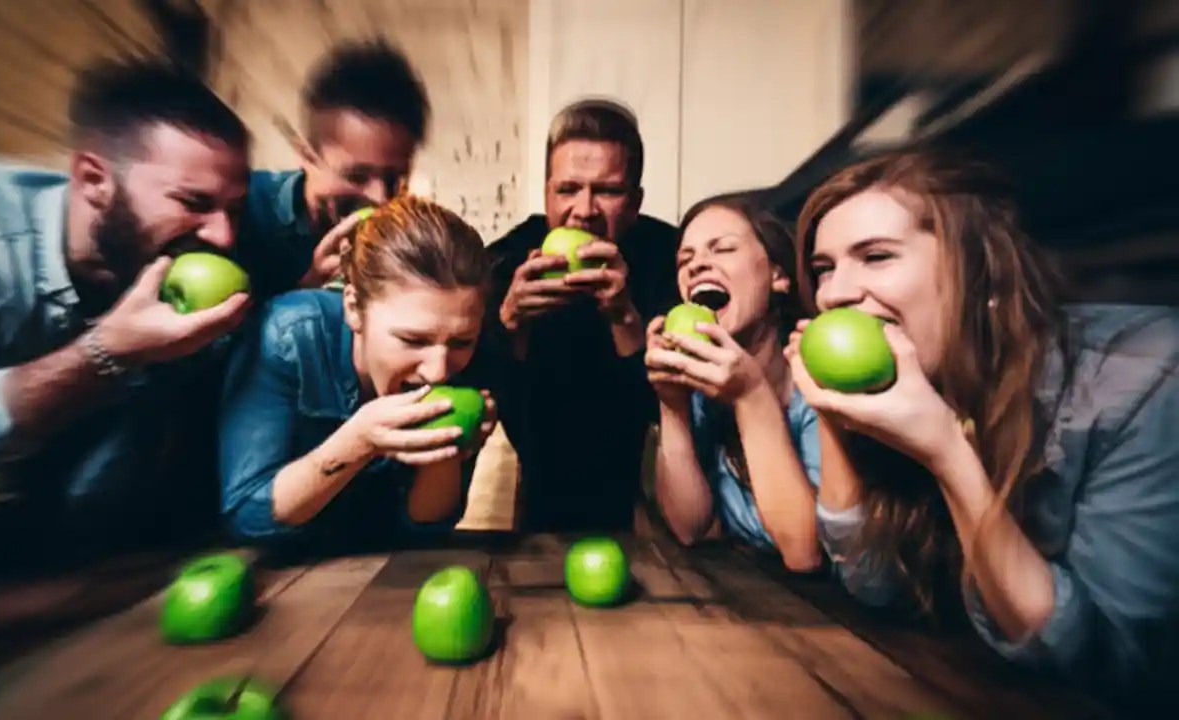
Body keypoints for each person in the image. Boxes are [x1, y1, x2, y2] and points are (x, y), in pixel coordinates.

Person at [783, 148, 1179, 709]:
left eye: (875, 256)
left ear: (981, 270)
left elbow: (1104, 658)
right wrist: (833, 414)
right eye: (824, 268)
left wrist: (947, 453)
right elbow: (875, 584)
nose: (833, 294)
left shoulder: (1142, 375)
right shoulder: (914, 383)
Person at [0, 60, 251, 548]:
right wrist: (108, 353)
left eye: (233, 208)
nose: (223, 235)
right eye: (193, 203)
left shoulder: (145, 255)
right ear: (93, 180)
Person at [218, 195, 497, 550]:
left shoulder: (469, 363)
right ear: (353, 307)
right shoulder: (290, 336)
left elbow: (426, 530)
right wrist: (358, 442)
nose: (438, 371)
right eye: (413, 339)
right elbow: (247, 515)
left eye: (461, 342)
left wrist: (446, 458)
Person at [486, 99, 680, 533]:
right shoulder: (506, 262)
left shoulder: (670, 258)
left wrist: (624, 316)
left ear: (635, 202)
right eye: (568, 189)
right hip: (542, 487)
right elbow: (489, 397)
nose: (585, 209)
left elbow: (668, 410)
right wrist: (510, 325)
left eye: (607, 191)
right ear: (546, 193)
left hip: (656, 504)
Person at [646, 193, 821, 570]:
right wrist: (672, 405)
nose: (697, 266)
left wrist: (751, 394)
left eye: (722, 249)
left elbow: (806, 553)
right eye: (685, 259)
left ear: (778, 275)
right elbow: (689, 527)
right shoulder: (706, 394)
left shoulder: (817, 381)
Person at [235, 39, 432, 298]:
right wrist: (309, 290)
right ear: (307, 156)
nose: (380, 197)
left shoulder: (402, 231)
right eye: (357, 176)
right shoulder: (240, 213)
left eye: (394, 178)